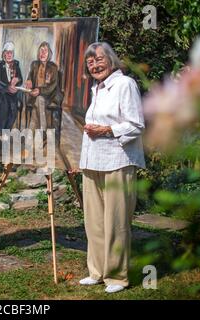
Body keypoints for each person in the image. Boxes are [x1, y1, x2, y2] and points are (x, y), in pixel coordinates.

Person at [76, 42, 145, 293]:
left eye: (99, 59)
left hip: (118, 160)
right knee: (93, 220)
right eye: (90, 62)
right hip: (93, 161)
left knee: (116, 221)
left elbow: (136, 125)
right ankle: (97, 271)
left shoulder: (125, 84)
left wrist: (107, 130)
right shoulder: (97, 88)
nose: (94, 65)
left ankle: (117, 276)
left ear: (111, 60)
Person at [25, 41, 63, 134]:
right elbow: (30, 76)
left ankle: (40, 130)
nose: (42, 53)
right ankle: (36, 131)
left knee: (39, 99)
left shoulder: (53, 67)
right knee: (38, 100)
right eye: (41, 51)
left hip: (50, 95)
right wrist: (29, 81)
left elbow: (52, 86)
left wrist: (40, 91)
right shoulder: (34, 64)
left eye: (45, 51)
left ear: (49, 53)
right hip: (36, 94)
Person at [0, 41, 23, 134]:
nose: (9, 54)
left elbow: (21, 79)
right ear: (4, 54)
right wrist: (7, 87)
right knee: (5, 108)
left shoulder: (16, 65)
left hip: (12, 94)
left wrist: (17, 80)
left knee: (13, 111)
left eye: (11, 52)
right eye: (7, 52)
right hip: (1, 93)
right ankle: (0, 132)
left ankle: (6, 131)